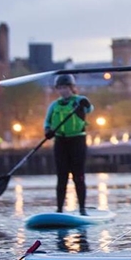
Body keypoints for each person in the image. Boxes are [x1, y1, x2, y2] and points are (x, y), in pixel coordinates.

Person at [44, 74, 93, 215]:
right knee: (62, 177)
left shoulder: (79, 101)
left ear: (71, 88)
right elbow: (47, 122)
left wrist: (85, 104)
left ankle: (82, 209)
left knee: (78, 176)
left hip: (77, 141)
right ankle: (59, 209)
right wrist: (47, 131)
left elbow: (89, 109)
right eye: (60, 88)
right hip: (60, 142)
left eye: (65, 88)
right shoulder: (54, 105)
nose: (63, 91)